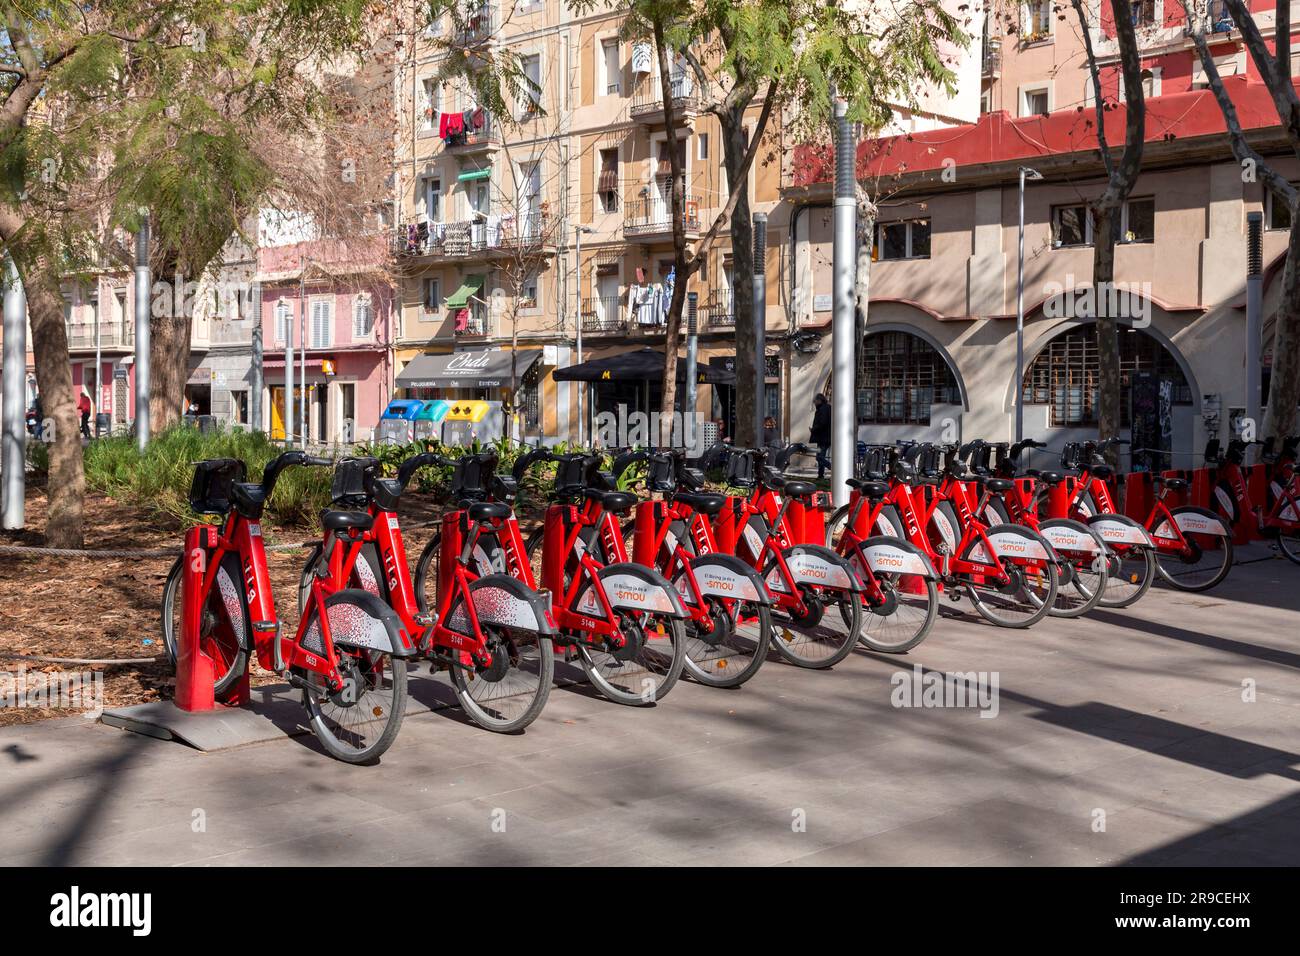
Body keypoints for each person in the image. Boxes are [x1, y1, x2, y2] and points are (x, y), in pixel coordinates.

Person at [809, 393, 831, 479]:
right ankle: (820, 475)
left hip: (823, 437)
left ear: (819, 400)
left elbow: (823, 423)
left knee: (819, 457)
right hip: (824, 437)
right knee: (820, 456)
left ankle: (832, 467)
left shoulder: (823, 409)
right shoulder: (826, 408)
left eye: (815, 401)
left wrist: (814, 429)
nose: (814, 403)